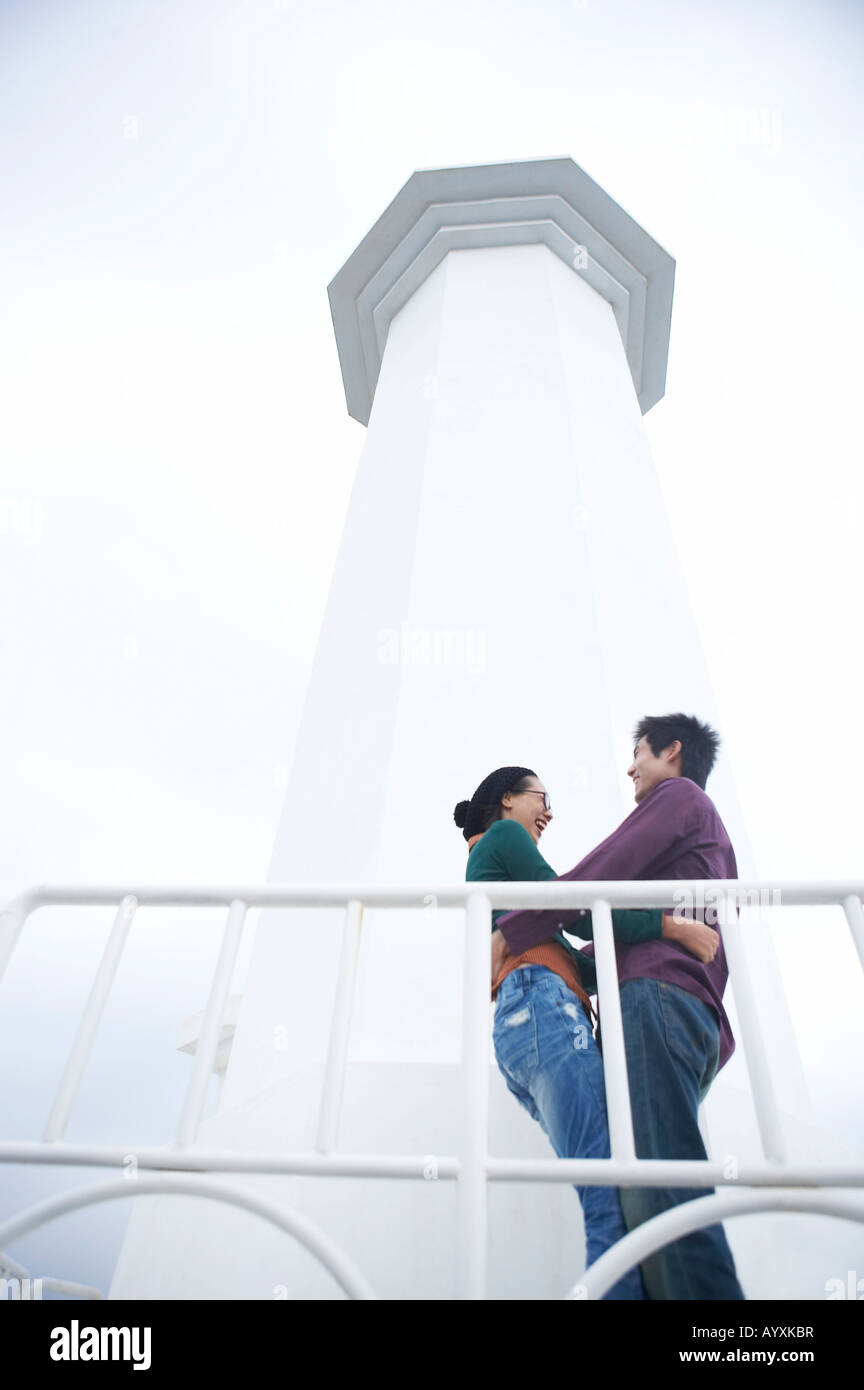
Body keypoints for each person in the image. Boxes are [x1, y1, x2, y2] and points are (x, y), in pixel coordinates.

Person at [492, 716, 746, 1300]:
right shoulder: (712, 840)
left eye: (638, 753)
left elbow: (603, 871)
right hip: (688, 1013)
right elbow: (618, 924)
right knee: (645, 1191)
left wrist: (514, 931)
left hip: (658, 1000)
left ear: (672, 751)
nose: (630, 767)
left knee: (662, 1188)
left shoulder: (679, 797)